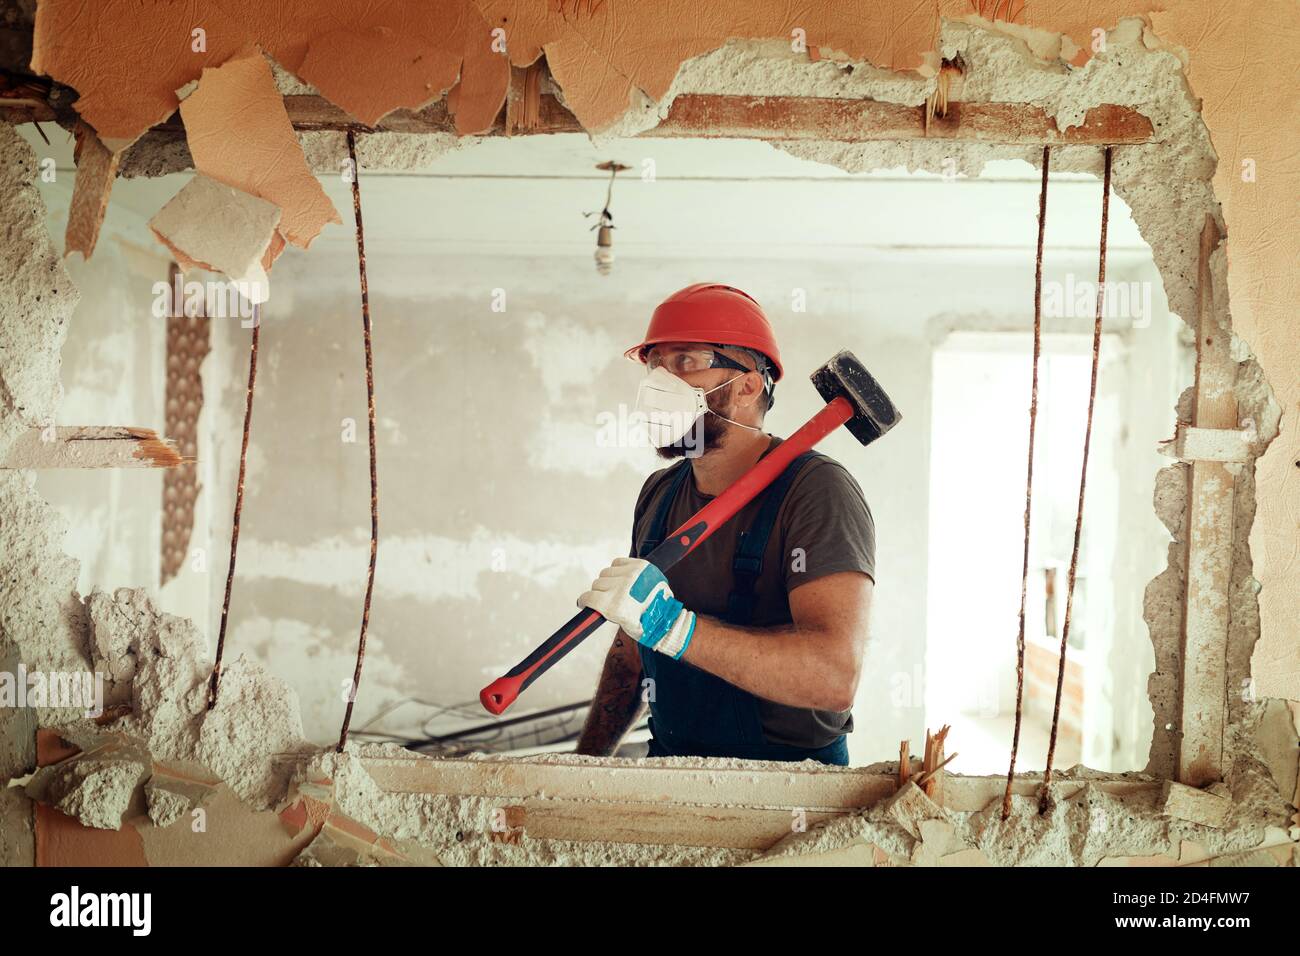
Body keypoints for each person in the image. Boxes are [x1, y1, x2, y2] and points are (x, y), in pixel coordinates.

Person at [574, 283, 876, 765]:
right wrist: (586, 765)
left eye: (686, 361)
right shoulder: (660, 492)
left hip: (788, 783)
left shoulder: (817, 492)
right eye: (655, 364)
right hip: (671, 761)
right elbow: (631, 653)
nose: (659, 382)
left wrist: (676, 630)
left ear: (747, 385)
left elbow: (833, 677)